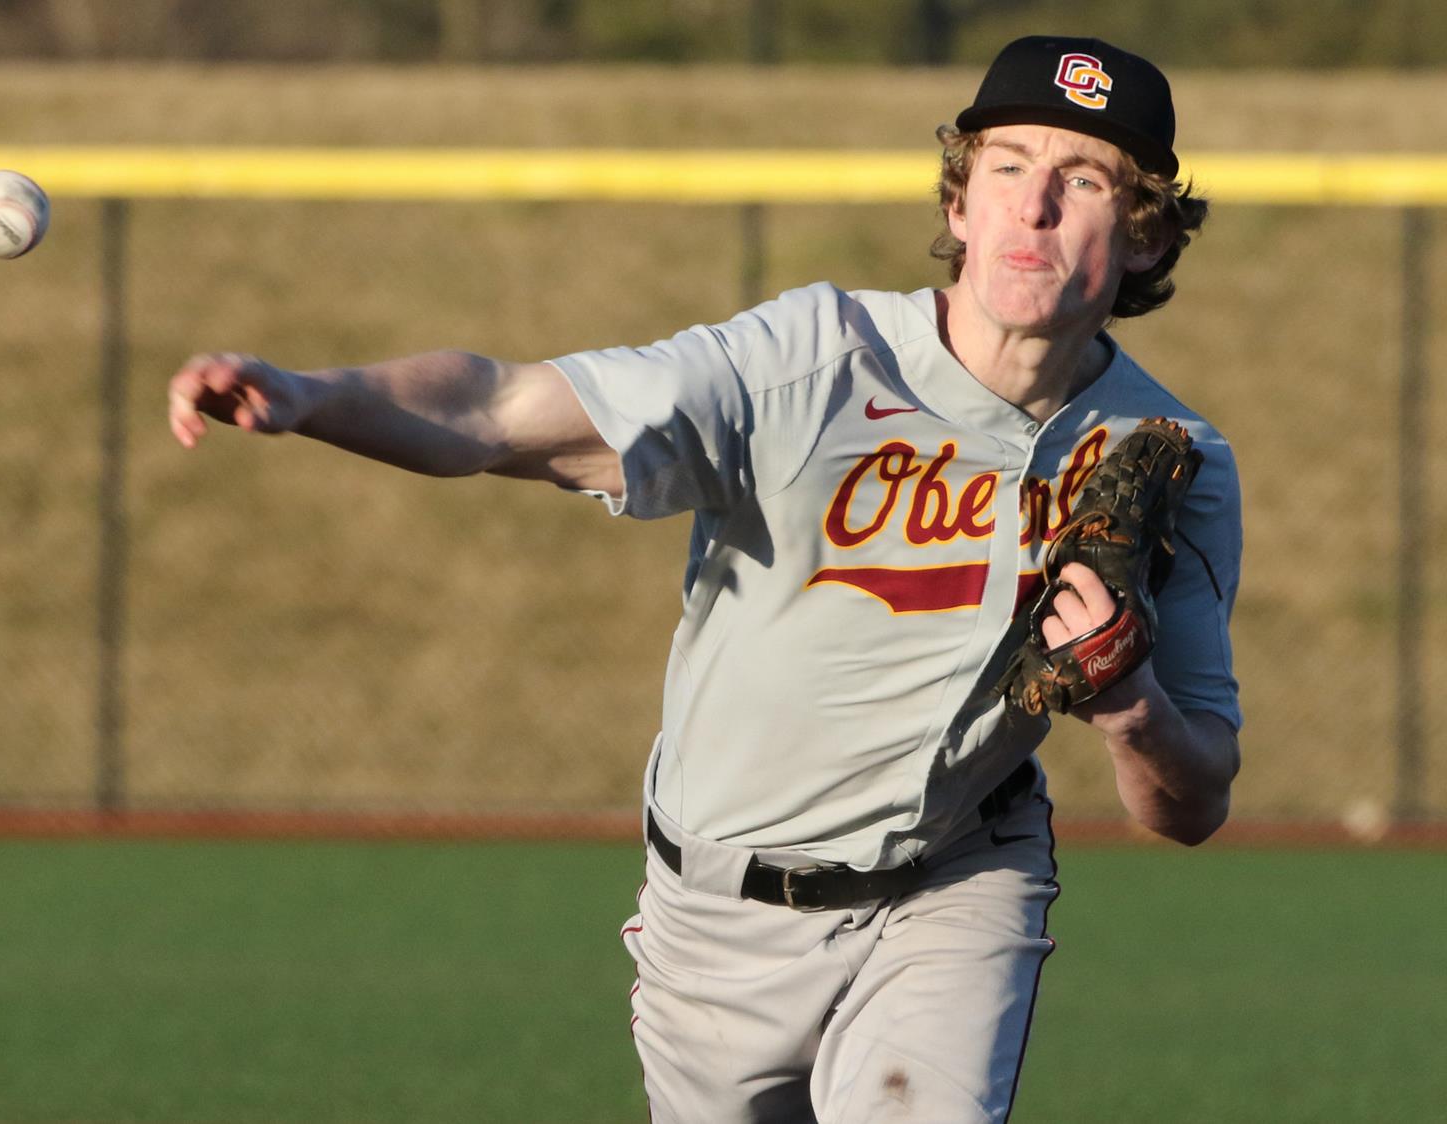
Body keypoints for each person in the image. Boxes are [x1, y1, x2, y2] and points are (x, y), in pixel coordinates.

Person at [166, 33, 1238, 1124]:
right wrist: (310, 397)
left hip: (954, 880)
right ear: (958, 204)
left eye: (1085, 177)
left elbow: (1191, 800)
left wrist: (1129, 707)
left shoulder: (1167, 456)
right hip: (718, 910)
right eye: (1005, 165)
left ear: (1146, 233)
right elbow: (496, 409)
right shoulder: (811, 361)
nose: (1035, 204)